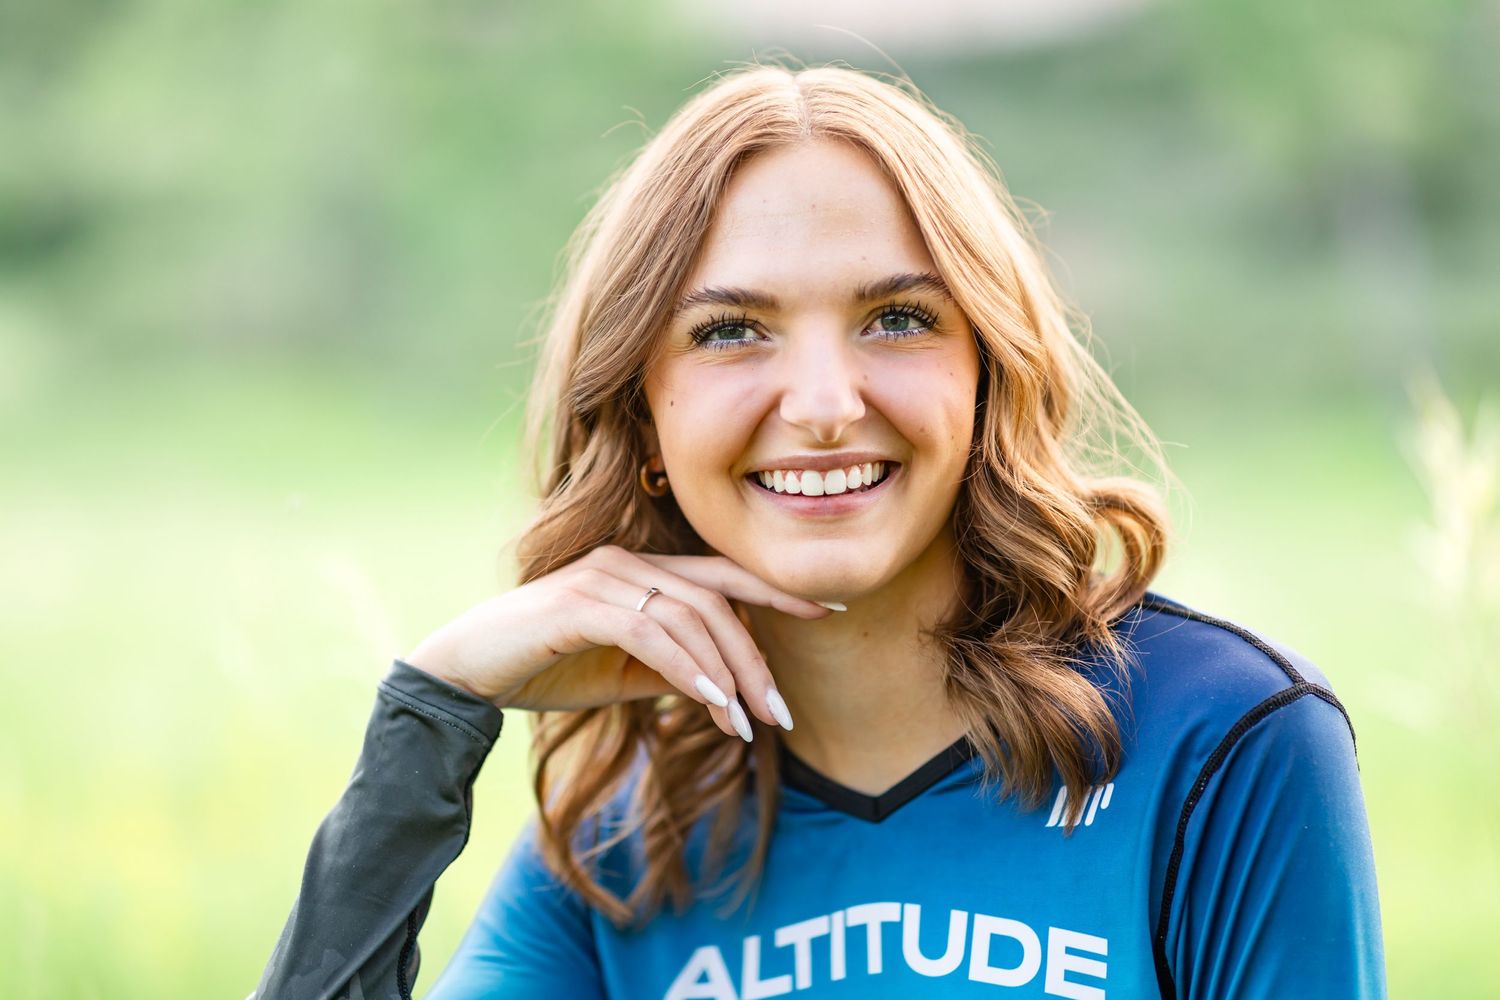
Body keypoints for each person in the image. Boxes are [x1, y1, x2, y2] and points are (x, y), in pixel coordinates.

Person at [252, 63, 1386, 999]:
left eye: (897, 319)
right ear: (645, 416)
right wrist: (435, 711)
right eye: (733, 332)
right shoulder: (624, 845)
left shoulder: (1221, 743)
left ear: (986, 375)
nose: (826, 400)